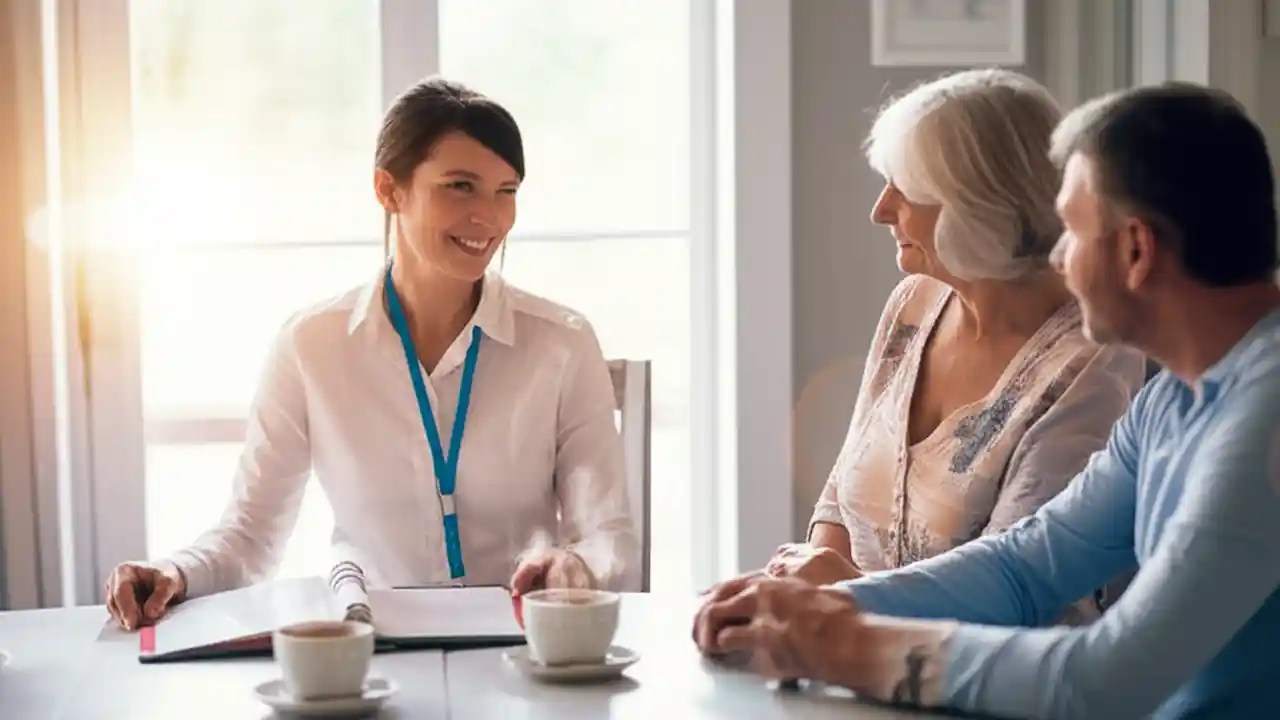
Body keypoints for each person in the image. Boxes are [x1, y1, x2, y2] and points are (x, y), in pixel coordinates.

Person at [694, 83, 1280, 719]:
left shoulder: (1265, 418)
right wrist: (827, 606)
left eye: (1073, 233)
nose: (1055, 257)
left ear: (1136, 251)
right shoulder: (1172, 396)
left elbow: (1102, 678)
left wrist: (849, 646)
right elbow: (1024, 565)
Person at [104, 77, 637, 631]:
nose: (490, 217)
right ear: (389, 190)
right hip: (373, 654)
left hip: (525, 646)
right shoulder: (311, 346)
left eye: (507, 191)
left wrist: (574, 566)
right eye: (461, 186)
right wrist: (174, 571)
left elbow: (608, 537)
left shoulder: (563, 342)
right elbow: (251, 536)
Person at [771, 69, 1145, 602]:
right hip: (849, 654)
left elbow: (1020, 591)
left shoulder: (1091, 361)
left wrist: (842, 597)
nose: (879, 211)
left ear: (975, 207)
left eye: (904, 190)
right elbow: (844, 493)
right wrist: (804, 583)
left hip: (989, 675)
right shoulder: (914, 303)